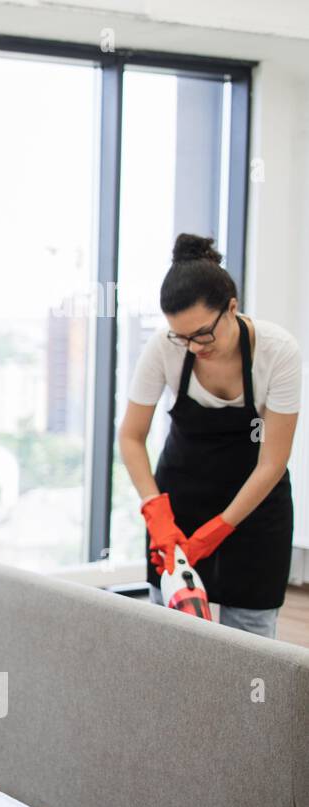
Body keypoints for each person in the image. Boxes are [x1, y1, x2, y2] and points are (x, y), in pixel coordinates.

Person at [120, 233, 299, 638]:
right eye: (181, 337)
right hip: (180, 502)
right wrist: (156, 512)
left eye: (202, 334)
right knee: (172, 636)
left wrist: (221, 526)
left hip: (255, 511)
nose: (193, 347)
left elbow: (272, 461)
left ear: (231, 308)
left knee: (250, 642)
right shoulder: (165, 349)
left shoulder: (278, 353)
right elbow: (131, 436)